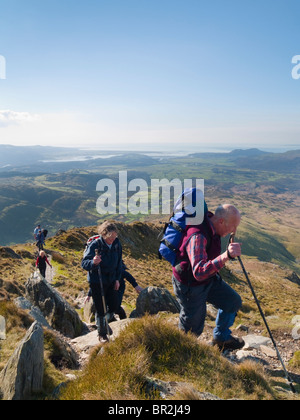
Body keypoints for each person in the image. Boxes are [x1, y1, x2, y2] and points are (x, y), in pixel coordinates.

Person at [172, 204, 244, 351]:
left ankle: (221, 338)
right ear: (221, 221)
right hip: (190, 285)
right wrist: (226, 256)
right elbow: (199, 272)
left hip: (208, 279)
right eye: (233, 226)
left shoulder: (213, 226)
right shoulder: (198, 234)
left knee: (232, 301)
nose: (234, 231)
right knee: (192, 329)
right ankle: (181, 354)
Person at [81, 221, 122, 343]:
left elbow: (119, 263)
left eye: (114, 236)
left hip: (111, 279)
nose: (113, 239)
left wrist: (117, 279)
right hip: (97, 281)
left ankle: (104, 322)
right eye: (110, 237)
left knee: (114, 305)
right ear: (104, 234)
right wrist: (93, 262)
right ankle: (102, 334)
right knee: (100, 308)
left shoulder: (116, 244)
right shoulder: (95, 245)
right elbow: (84, 264)